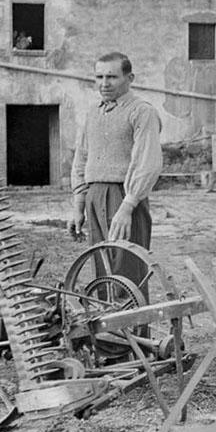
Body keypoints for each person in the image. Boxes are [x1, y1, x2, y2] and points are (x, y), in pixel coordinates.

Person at [67, 52, 163, 293]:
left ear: (129, 78)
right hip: (94, 195)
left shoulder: (142, 111)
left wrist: (128, 206)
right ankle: (107, 330)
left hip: (124, 197)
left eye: (112, 76)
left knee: (128, 275)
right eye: (99, 76)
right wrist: (78, 205)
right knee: (103, 273)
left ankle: (134, 331)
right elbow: (81, 159)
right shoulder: (92, 113)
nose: (104, 83)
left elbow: (147, 162)